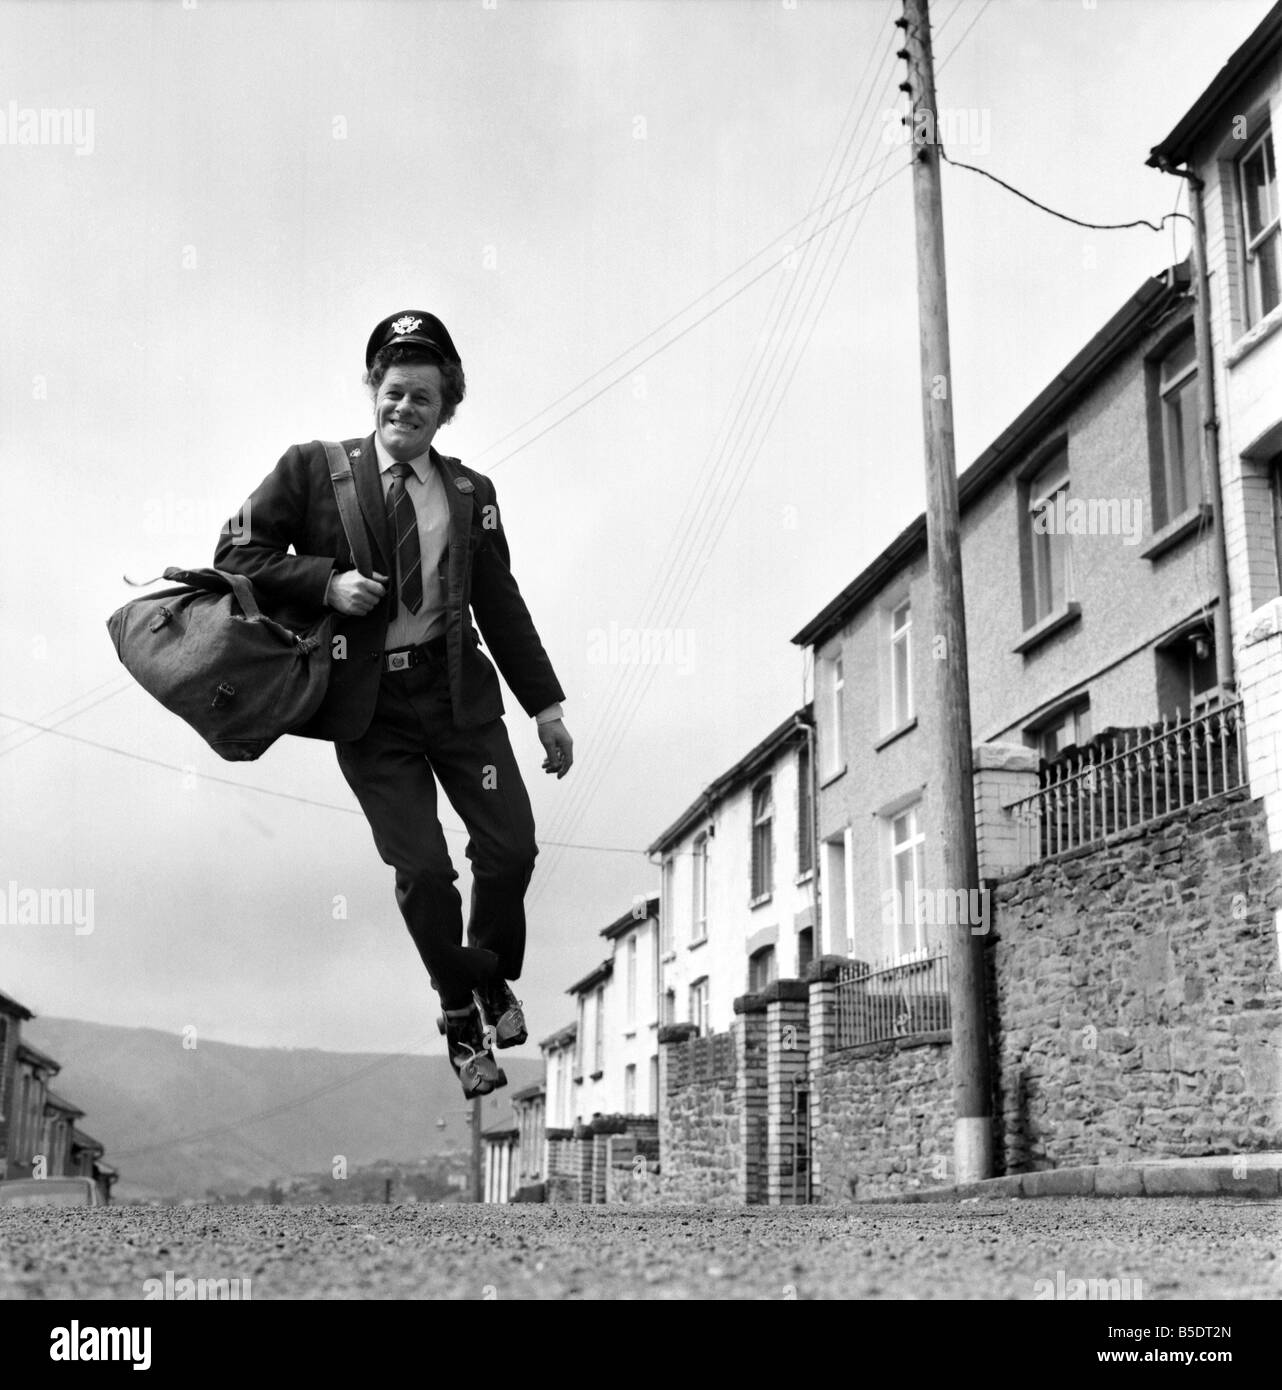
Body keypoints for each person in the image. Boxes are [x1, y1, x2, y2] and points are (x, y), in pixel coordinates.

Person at [215, 310, 572, 1098]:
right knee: (422, 872)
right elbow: (237, 553)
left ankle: (482, 974)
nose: (403, 408)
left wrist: (545, 705)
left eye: (423, 398)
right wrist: (325, 582)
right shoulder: (314, 470)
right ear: (373, 390)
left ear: (447, 409)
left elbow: (499, 602)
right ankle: (460, 1004)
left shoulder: (472, 492)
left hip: (457, 699)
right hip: (368, 709)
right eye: (393, 391)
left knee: (510, 850)